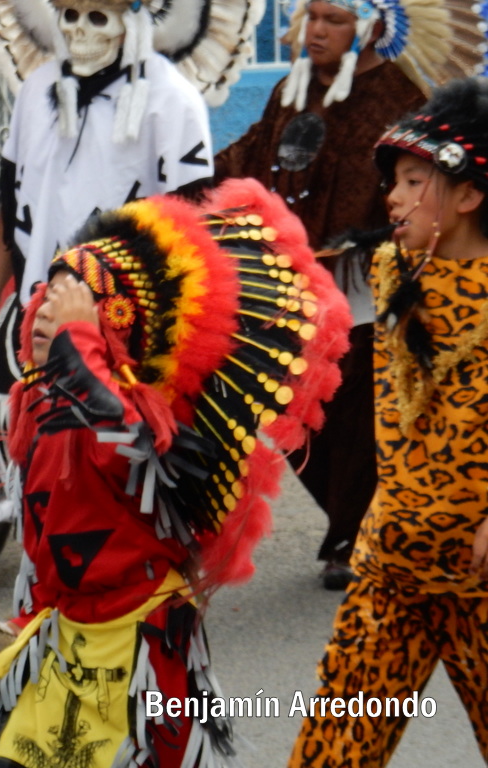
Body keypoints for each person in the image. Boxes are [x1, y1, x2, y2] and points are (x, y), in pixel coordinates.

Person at [0, 178, 352, 768]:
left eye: (71, 301)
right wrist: (29, 629)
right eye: (47, 293)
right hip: (67, 641)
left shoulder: (135, 418)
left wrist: (78, 341)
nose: (45, 308)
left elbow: (104, 430)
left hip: (138, 643)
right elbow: (44, 546)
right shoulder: (34, 405)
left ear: (108, 331)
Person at [0, 0, 217, 517]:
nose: (78, 31)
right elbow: (13, 201)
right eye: (68, 14)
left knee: (114, 489)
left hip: (121, 336)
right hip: (38, 322)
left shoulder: (171, 101)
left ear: (132, 20)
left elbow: (192, 234)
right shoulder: (35, 91)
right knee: (40, 477)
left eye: (97, 17)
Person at [288, 76, 488, 767]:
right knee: (331, 754)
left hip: (479, 573)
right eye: (393, 182)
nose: (392, 198)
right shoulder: (386, 269)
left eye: (412, 181)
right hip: (391, 563)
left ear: (468, 195)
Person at [213, 0, 433, 588]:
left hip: (366, 290)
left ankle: (350, 536)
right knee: (292, 409)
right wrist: (191, 185)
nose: (315, 30)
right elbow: (251, 157)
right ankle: (353, 524)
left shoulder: (400, 97)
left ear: (368, 28)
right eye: (310, 17)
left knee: (357, 416)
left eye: (332, 19)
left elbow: (421, 187)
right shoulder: (290, 89)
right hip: (295, 288)